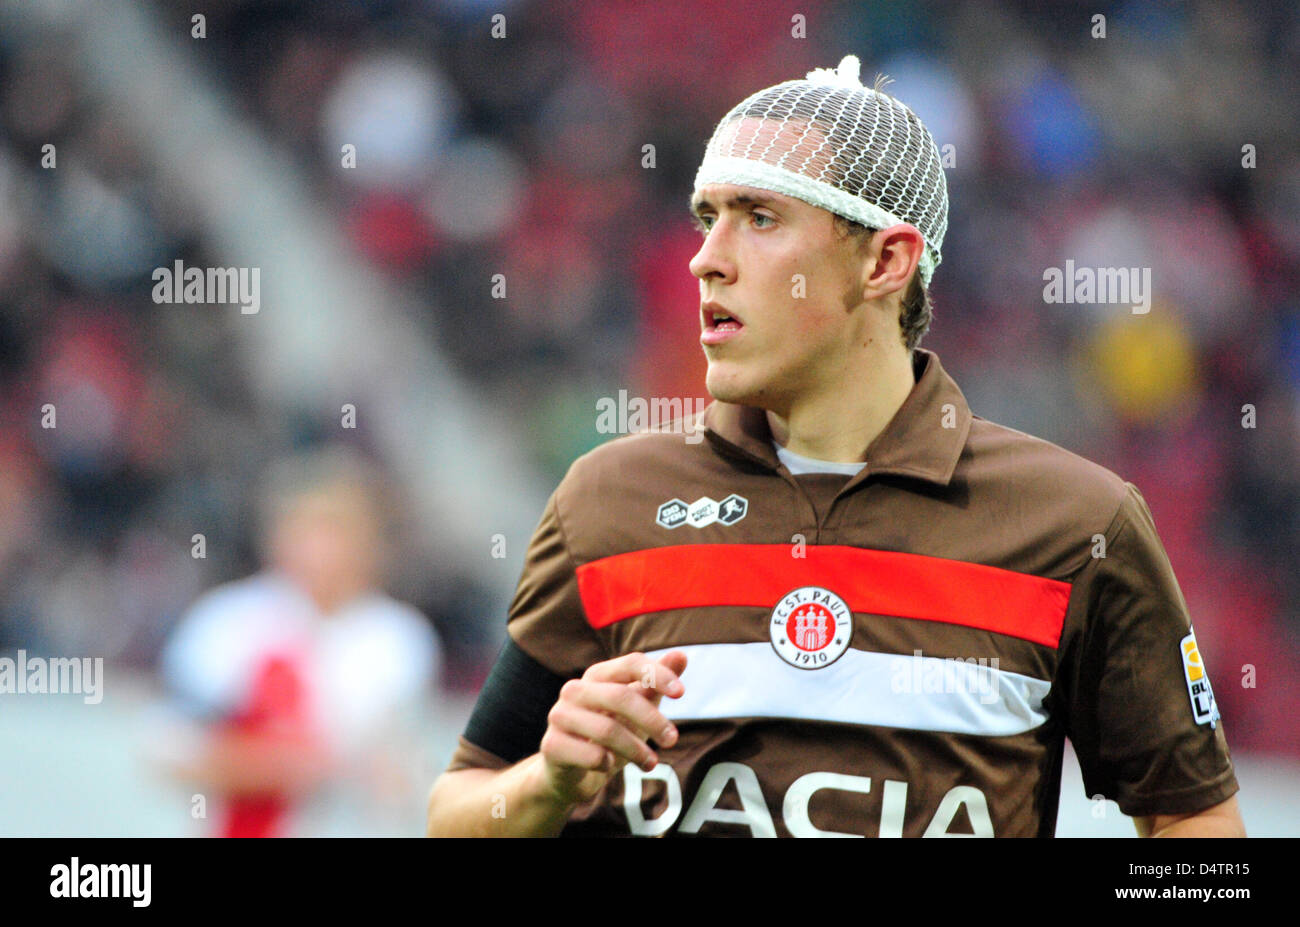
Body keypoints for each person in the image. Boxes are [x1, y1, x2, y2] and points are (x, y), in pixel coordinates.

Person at [425, 56, 1243, 837]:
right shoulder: (605, 500)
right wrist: (546, 783)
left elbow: (1197, 834)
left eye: (761, 217)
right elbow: (456, 811)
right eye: (708, 218)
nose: (706, 258)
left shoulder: (1078, 525)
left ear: (886, 260)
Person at [156, 447, 441, 836]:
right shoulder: (226, 623)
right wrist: (295, 766)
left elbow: (408, 775)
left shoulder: (399, 640)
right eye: (307, 529)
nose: (321, 549)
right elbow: (172, 754)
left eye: (337, 530)